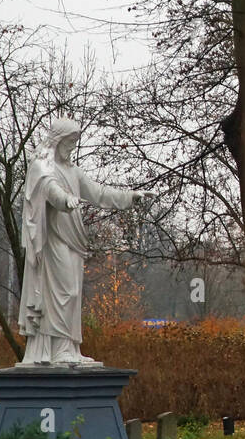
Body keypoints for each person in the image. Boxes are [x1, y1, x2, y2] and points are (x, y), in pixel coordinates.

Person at [18, 117, 154, 365]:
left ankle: (69, 347)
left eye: (75, 142)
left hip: (74, 241)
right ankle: (58, 349)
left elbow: (99, 193)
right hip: (54, 240)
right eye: (70, 141)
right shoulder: (41, 166)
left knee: (73, 294)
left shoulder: (74, 172)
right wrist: (64, 200)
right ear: (57, 140)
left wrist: (131, 196)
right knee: (63, 292)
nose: (72, 147)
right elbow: (49, 189)